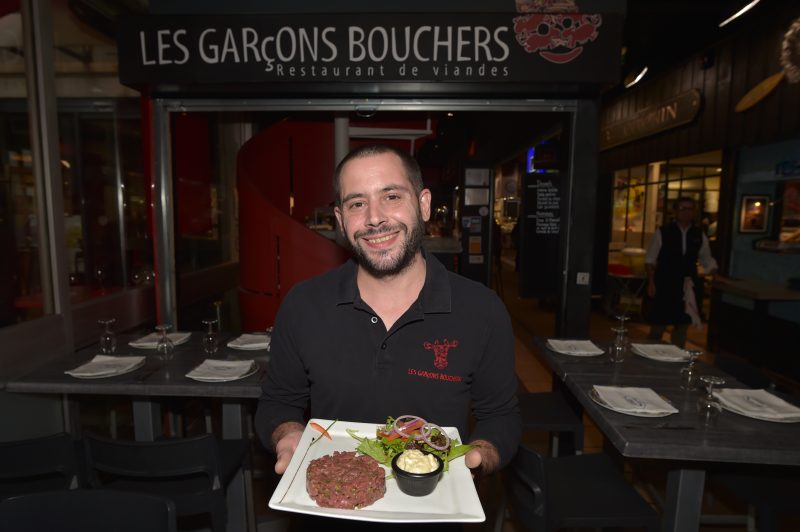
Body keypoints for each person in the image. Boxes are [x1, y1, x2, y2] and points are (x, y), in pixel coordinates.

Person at [255, 144, 520, 485]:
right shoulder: (303, 304)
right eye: (357, 203)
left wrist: (481, 454)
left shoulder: (482, 310)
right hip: (331, 510)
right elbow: (277, 402)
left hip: (432, 508)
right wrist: (287, 436)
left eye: (391, 196)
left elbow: (500, 416)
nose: (374, 218)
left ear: (423, 204)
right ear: (340, 220)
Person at [644, 196, 718, 348]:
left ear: (694, 212)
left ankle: (677, 358)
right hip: (665, 281)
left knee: (683, 324)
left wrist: (717, 275)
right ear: (675, 211)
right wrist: (651, 282)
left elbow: (706, 259)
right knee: (659, 323)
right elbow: (650, 259)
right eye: (682, 208)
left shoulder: (698, 233)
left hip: (688, 284)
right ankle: (650, 354)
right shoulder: (663, 232)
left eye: (690, 209)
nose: (686, 212)